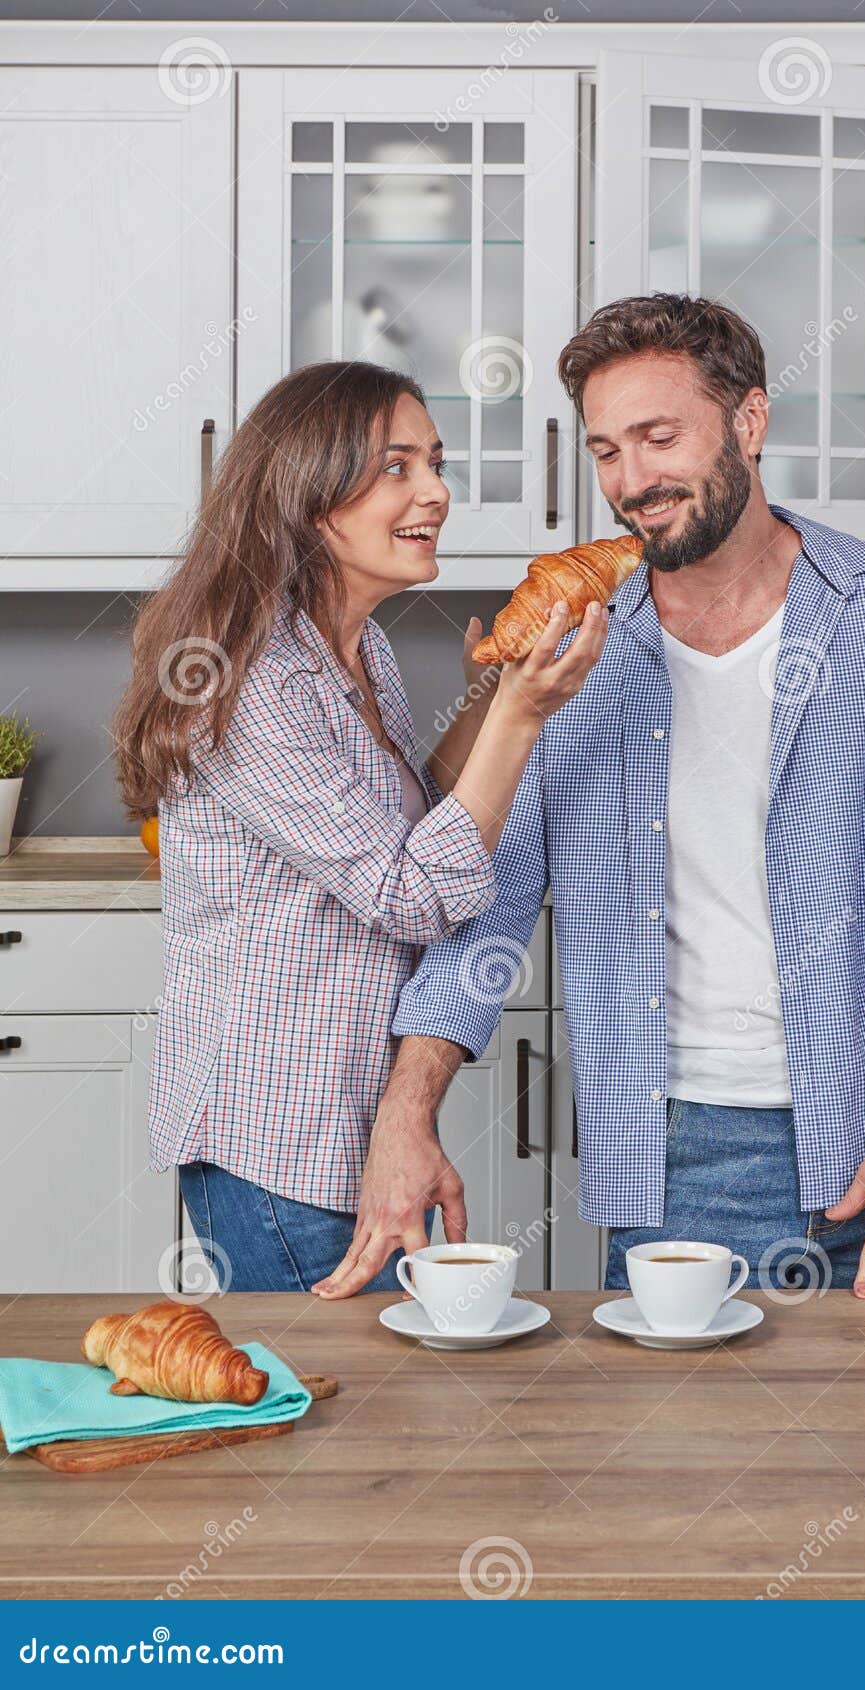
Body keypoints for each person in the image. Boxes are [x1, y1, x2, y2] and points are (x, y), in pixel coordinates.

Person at [312, 296, 865, 1305]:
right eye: (605, 450)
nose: (631, 481)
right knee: (674, 1461)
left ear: (748, 423)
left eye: (657, 437)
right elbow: (487, 907)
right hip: (664, 1149)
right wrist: (404, 1110)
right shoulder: (571, 648)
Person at [113, 360, 606, 1291]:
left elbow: (405, 829)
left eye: (437, 463)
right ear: (307, 496)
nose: (436, 493)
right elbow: (414, 897)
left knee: (361, 1415)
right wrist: (521, 718)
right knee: (343, 1421)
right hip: (279, 1141)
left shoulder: (353, 643)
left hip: (347, 1126)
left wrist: (490, 698)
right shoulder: (245, 676)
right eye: (397, 467)